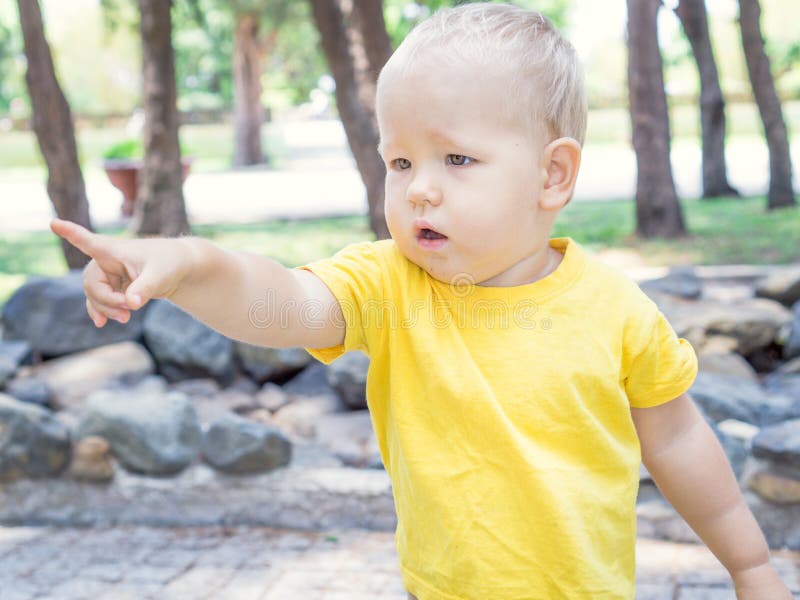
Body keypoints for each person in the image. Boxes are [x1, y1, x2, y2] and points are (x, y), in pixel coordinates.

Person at [51, 3, 792, 599]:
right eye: (399, 161)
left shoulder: (615, 310)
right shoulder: (388, 286)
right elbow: (278, 302)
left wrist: (750, 564)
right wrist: (187, 264)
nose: (419, 189)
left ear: (552, 176)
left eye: (456, 158)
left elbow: (677, 442)